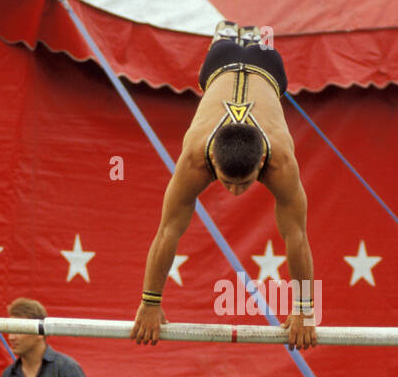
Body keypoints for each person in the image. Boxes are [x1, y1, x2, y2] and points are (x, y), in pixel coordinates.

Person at [131, 21, 317, 350]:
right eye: (226, 182)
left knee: (246, 57)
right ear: (213, 162)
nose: (232, 191)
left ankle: (240, 37)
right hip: (219, 65)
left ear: (261, 164)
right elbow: (167, 232)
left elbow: (297, 237)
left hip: (269, 69)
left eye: (242, 184)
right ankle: (233, 38)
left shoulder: (281, 163)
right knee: (221, 60)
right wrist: (150, 302)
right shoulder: (194, 160)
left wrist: (304, 310)